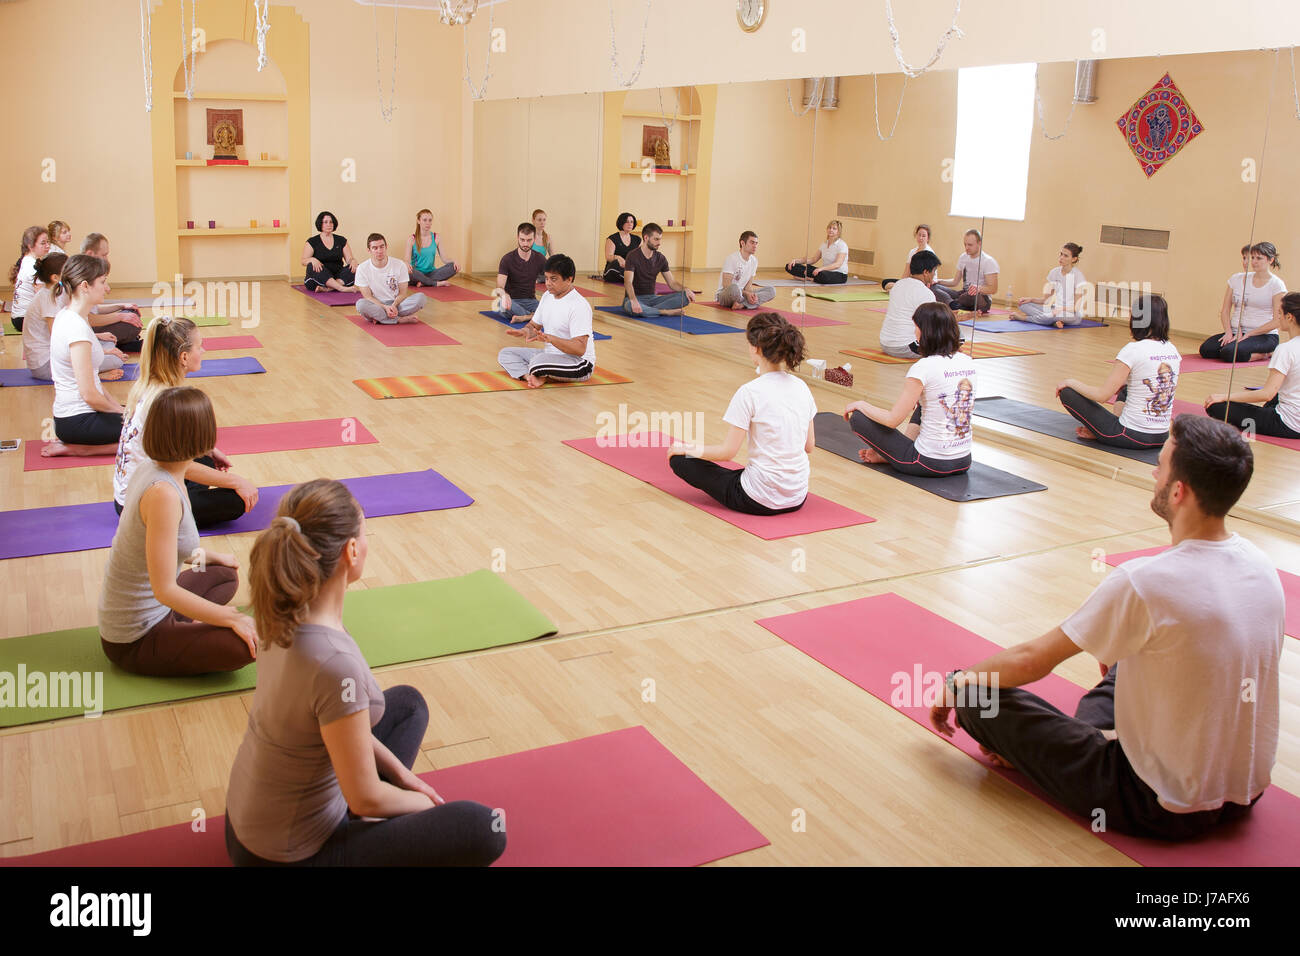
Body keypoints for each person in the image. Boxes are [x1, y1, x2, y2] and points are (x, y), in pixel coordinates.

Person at [932, 415, 1282, 841]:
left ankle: (1074, 745)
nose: (1153, 473)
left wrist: (956, 684)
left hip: (1157, 804)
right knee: (1129, 658)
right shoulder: (1263, 567)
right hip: (1246, 790)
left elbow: (1032, 659)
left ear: (1178, 491)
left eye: (1161, 465)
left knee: (975, 695)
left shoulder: (1145, 580)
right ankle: (1099, 737)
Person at [224, 479, 507, 866]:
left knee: (407, 705)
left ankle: (368, 826)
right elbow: (364, 797)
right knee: (485, 827)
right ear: (351, 550)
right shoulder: (332, 662)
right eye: (365, 530)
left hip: (246, 827)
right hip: (290, 856)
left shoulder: (281, 613)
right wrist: (421, 803)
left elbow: (332, 726)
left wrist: (401, 775)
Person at [98, 386, 259, 677]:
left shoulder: (154, 466)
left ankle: (188, 630)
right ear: (201, 436)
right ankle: (186, 634)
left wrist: (212, 556)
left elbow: (163, 546)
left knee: (223, 575)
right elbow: (164, 590)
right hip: (135, 638)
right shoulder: (163, 495)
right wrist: (229, 617)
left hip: (160, 610)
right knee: (245, 645)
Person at [113, 316, 259, 526]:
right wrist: (237, 481)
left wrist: (209, 450)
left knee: (204, 456)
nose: (203, 351)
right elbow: (178, 465)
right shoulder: (165, 401)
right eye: (199, 347)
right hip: (140, 505)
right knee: (235, 501)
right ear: (183, 357)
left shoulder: (152, 385)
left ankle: (189, 490)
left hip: (140, 487)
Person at [667, 313, 815, 515]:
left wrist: (686, 449)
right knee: (740, 473)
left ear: (756, 348)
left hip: (757, 499)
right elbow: (809, 446)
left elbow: (727, 453)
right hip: (797, 496)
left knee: (680, 461)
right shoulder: (802, 387)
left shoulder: (749, 392)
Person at [845, 302, 976, 477]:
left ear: (925, 331)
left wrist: (861, 404)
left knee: (858, 418)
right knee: (926, 403)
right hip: (963, 461)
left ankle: (894, 455)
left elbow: (892, 420)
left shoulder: (923, 367)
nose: (915, 332)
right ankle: (895, 453)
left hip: (927, 463)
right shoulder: (968, 361)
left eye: (916, 327)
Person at [1056, 294, 1180, 449]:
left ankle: (1104, 433)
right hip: (1162, 436)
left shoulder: (1133, 350)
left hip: (1131, 436)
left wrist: (1070, 382)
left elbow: (1102, 395)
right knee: (1127, 388)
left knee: (1067, 392)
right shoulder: (1172, 349)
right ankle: (1104, 430)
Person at [44, 254, 127, 458]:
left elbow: (94, 382)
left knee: (151, 415)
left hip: (83, 414)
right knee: (156, 434)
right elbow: (89, 395)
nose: (107, 288)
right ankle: (82, 449)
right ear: (85, 286)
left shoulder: (72, 316)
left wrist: (120, 409)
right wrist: (123, 414)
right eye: (103, 282)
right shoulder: (75, 328)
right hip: (78, 421)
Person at [1205, 291, 1300, 439]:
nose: (1278, 317)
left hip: (1289, 425)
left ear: (1290, 317)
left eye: (1280, 313)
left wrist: (1224, 396)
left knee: (1216, 406)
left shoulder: (1285, 349)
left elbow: (1267, 394)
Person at [22, 253, 125, 382]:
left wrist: (98, 338)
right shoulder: (49, 298)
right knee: (116, 359)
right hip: (46, 365)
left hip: (55, 358)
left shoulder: (58, 294)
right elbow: (59, 342)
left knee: (108, 345)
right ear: (55, 277)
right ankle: (94, 375)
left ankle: (94, 370)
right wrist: (104, 352)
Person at [497, 254, 595, 386]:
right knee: (506, 353)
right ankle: (530, 376)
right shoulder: (547, 296)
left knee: (538, 361)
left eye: (553, 279)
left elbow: (580, 349)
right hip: (550, 356)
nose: (548, 283)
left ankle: (539, 373)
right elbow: (534, 325)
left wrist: (552, 339)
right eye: (547, 278)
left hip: (579, 363)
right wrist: (525, 331)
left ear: (569, 279)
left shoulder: (579, 305)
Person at [1198, 241, 1287, 363]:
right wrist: (1229, 332)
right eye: (1252, 257)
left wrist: (1249, 334)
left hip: (1264, 336)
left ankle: (1267, 353)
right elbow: (1225, 310)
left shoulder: (1277, 284)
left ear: (1270, 260)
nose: (1254, 261)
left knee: (1229, 353)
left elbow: (1277, 321)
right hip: (1236, 332)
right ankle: (1237, 346)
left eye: (1259, 258)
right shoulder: (1236, 279)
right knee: (1207, 350)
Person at [81, 233, 143, 350]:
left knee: (132, 312)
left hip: (92, 324)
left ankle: (117, 341)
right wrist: (120, 317)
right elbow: (88, 318)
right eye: (104, 255)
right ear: (90, 254)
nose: (106, 259)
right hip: (88, 329)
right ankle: (114, 342)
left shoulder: (89, 274)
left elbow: (95, 310)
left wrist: (121, 306)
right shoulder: (82, 279)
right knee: (130, 324)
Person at [622, 223, 695, 316]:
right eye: (656, 239)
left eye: (660, 239)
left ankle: (648, 311)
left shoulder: (661, 258)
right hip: (635, 298)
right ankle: (664, 312)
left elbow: (672, 283)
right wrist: (633, 300)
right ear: (646, 238)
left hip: (654, 299)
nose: (659, 243)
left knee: (684, 298)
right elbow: (628, 282)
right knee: (629, 306)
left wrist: (686, 289)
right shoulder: (632, 256)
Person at [878, 250, 940, 358]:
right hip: (906, 347)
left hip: (885, 344)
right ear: (926, 272)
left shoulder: (898, 285)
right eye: (933, 271)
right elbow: (934, 324)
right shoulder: (925, 293)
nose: (934, 275)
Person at [354, 234, 427, 324]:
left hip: (397, 304)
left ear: (386, 247)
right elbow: (368, 297)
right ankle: (398, 319)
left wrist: (393, 306)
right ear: (369, 250)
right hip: (377, 305)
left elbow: (403, 293)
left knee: (421, 298)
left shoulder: (400, 265)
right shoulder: (362, 268)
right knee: (360, 305)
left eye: (382, 247)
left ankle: (381, 318)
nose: (379, 251)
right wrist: (385, 307)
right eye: (375, 248)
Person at [1016, 243, 1088, 327]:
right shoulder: (1054, 272)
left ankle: (1024, 318)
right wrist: (1030, 299)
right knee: (1023, 305)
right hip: (1054, 309)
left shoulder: (1078, 276)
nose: (1061, 257)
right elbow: (1046, 300)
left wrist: (1060, 309)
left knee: (1053, 315)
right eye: (1061, 254)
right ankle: (1053, 321)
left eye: (1066, 256)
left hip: (1072, 314)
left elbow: (1076, 308)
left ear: (1074, 259)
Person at [935, 229, 999, 313]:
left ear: (979, 243)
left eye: (970, 245)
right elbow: (955, 282)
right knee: (933, 287)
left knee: (969, 295)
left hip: (980, 297)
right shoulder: (963, 257)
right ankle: (953, 305)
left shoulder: (988, 261)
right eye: (965, 244)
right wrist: (937, 281)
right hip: (964, 294)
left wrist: (978, 288)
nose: (966, 247)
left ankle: (952, 305)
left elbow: (993, 289)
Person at [493, 223, 547, 321]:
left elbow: (552, 278)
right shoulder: (507, 259)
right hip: (511, 302)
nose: (525, 244)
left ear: (534, 238)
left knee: (549, 310)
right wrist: (504, 295)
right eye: (522, 240)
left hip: (531, 301)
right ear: (517, 238)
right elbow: (499, 288)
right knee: (501, 304)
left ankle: (525, 317)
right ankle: (534, 317)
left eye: (529, 240)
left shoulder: (540, 258)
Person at [716, 231, 775, 311]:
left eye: (756, 243)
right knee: (734, 288)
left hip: (743, 294)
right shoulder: (732, 258)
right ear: (742, 243)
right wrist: (747, 294)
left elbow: (748, 286)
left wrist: (751, 295)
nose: (755, 246)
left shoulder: (754, 261)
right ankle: (746, 304)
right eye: (752, 243)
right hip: (727, 295)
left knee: (771, 290)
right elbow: (726, 285)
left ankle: (742, 304)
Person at [403, 208, 460, 287]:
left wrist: (454, 261)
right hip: (416, 274)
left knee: (453, 267)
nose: (428, 223)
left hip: (431, 273)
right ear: (418, 221)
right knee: (406, 271)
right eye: (425, 220)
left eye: (430, 220)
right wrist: (406, 263)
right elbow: (407, 259)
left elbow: (445, 258)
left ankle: (424, 282)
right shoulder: (411, 239)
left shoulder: (437, 237)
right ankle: (434, 283)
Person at [302, 212, 357, 292]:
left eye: (331, 222)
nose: (329, 224)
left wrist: (353, 261)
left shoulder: (341, 240)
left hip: (337, 276)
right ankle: (340, 288)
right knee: (311, 266)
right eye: (325, 222)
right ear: (320, 224)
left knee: (356, 267)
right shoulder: (312, 241)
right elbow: (303, 261)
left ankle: (329, 288)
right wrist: (312, 259)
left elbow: (349, 259)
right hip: (319, 277)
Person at [8, 225, 49, 332]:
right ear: (30, 246)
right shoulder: (31, 265)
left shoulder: (27, 260)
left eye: (48, 242)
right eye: (43, 243)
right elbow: (41, 295)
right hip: (24, 319)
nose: (47, 246)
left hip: (18, 318)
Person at [785, 219, 849, 284]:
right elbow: (813, 259)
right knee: (789, 266)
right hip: (823, 271)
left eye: (834, 228)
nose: (831, 230)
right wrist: (796, 261)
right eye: (830, 228)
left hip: (839, 274)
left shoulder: (842, 245)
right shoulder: (824, 244)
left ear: (838, 232)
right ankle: (813, 278)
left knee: (823, 275)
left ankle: (808, 278)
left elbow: (837, 264)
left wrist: (821, 269)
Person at [881, 223, 935, 291]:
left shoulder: (929, 252)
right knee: (885, 282)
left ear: (928, 238)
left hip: (922, 283)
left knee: (894, 286)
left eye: (923, 236)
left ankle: (898, 289)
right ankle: (899, 289)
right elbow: (906, 272)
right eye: (919, 235)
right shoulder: (912, 251)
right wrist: (901, 283)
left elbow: (927, 276)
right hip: (911, 280)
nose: (920, 238)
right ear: (916, 235)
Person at [603, 212, 641, 284]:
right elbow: (608, 257)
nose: (630, 224)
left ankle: (631, 277)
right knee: (616, 263)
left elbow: (640, 256)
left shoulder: (637, 239)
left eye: (632, 222)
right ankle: (631, 278)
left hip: (629, 268)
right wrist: (618, 258)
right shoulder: (612, 238)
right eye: (627, 222)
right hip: (615, 269)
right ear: (621, 223)